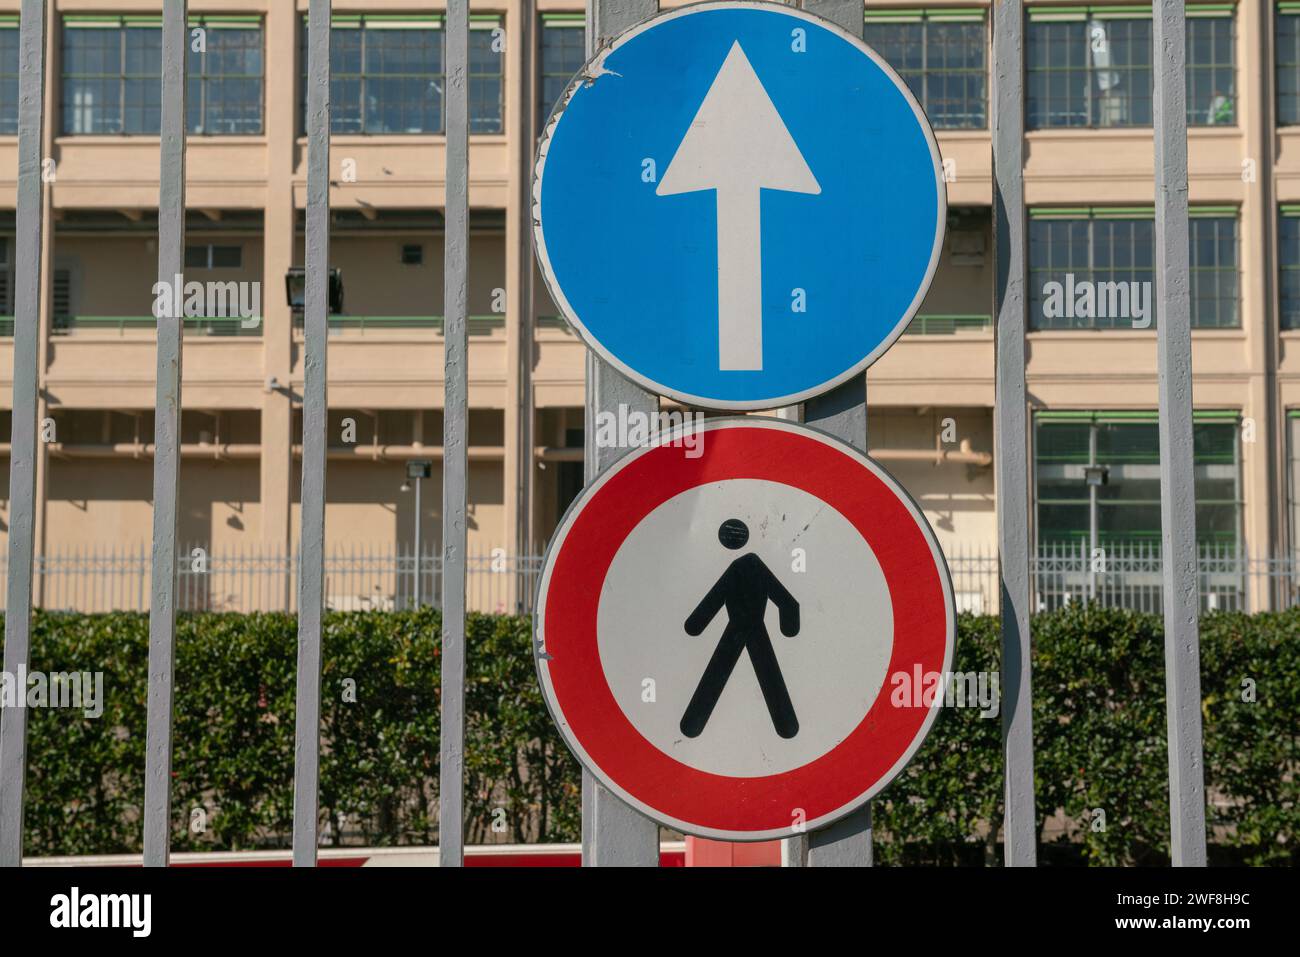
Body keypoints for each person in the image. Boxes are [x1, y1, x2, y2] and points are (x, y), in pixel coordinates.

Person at [680, 518, 801, 739]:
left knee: (718, 674)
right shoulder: (754, 569)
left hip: (740, 629)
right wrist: (789, 627)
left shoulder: (738, 569)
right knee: (768, 674)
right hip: (751, 629)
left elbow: (713, 599)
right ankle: (787, 727)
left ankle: (691, 726)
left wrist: (695, 625)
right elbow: (788, 602)